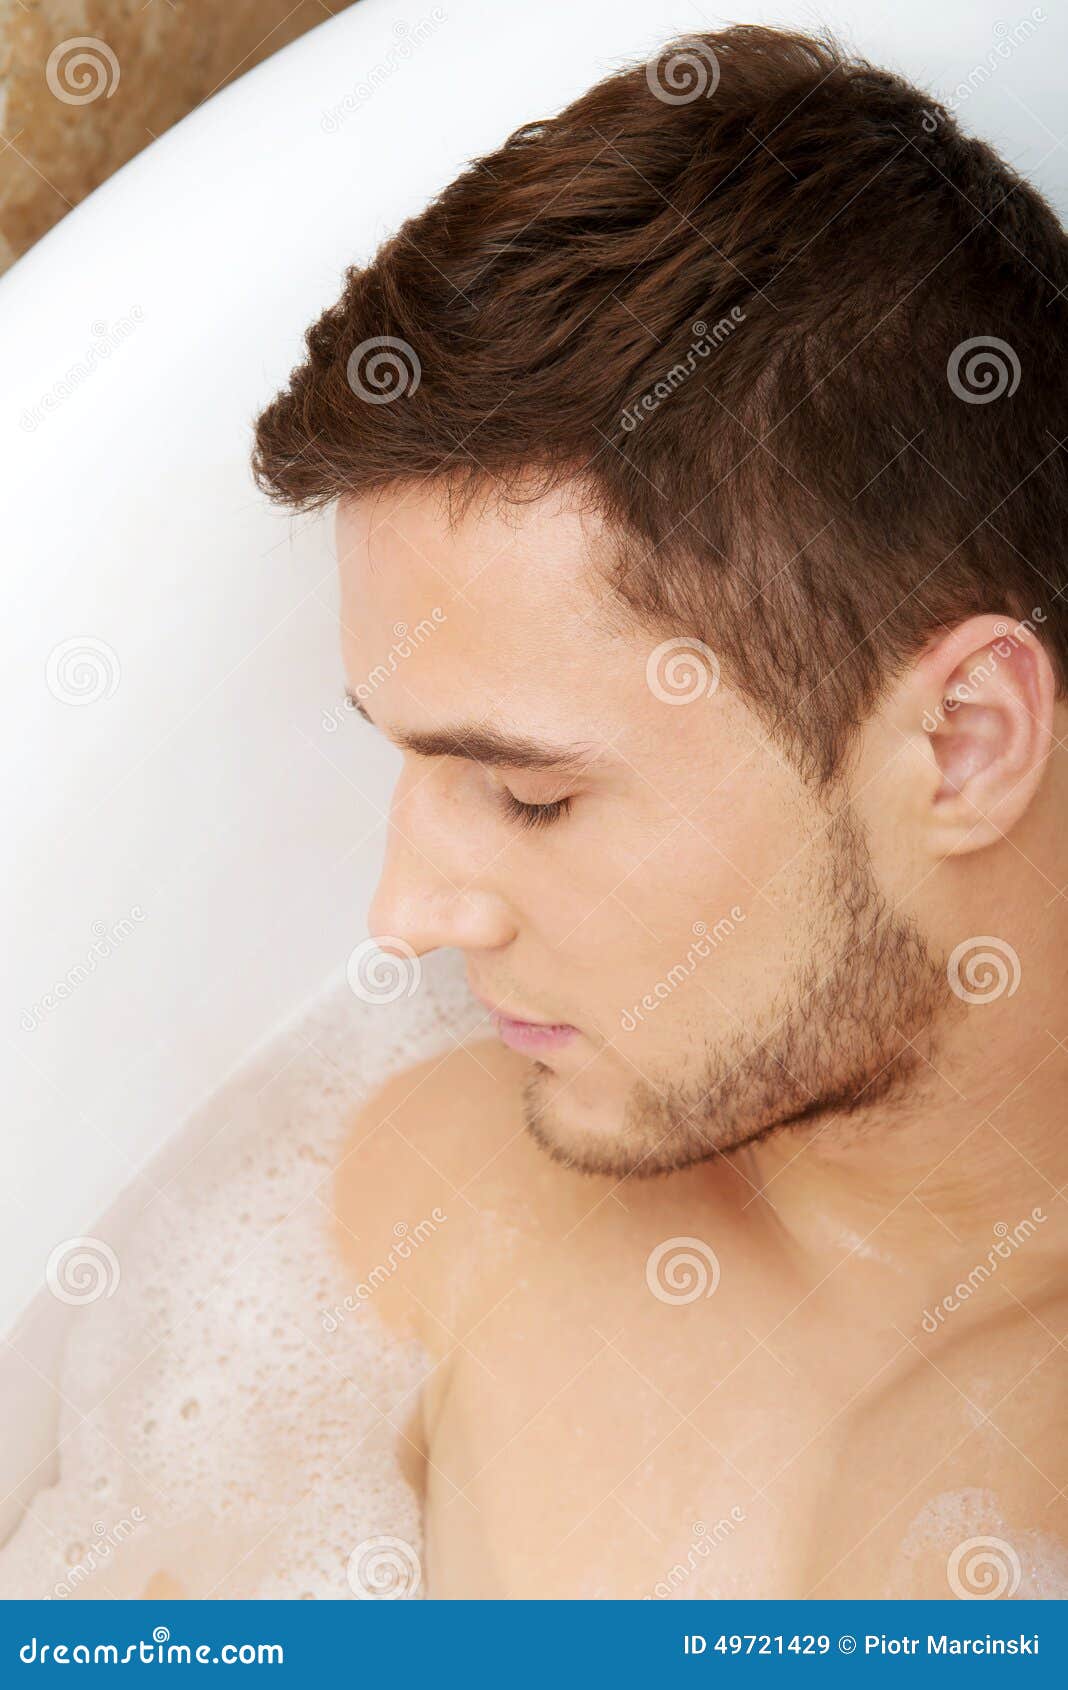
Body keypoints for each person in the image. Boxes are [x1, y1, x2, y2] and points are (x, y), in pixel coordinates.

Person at [251, 25, 1068, 1598]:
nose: (404, 913)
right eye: (408, 762)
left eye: (531, 794)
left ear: (964, 742)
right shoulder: (429, 1211)